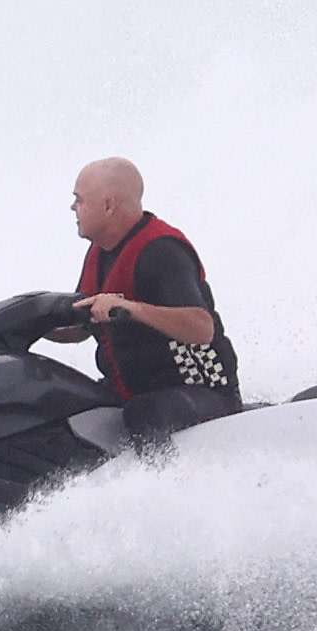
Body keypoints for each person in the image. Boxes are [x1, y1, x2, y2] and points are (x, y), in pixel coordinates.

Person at [65, 156, 242, 439]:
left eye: (80, 200)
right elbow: (78, 327)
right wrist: (31, 321)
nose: (73, 208)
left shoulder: (161, 249)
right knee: (63, 402)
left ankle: (160, 482)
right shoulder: (100, 252)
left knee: (145, 412)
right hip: (130, 391)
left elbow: (201, 328)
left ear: (108, 205)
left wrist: (128, 307)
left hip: (202, 393)